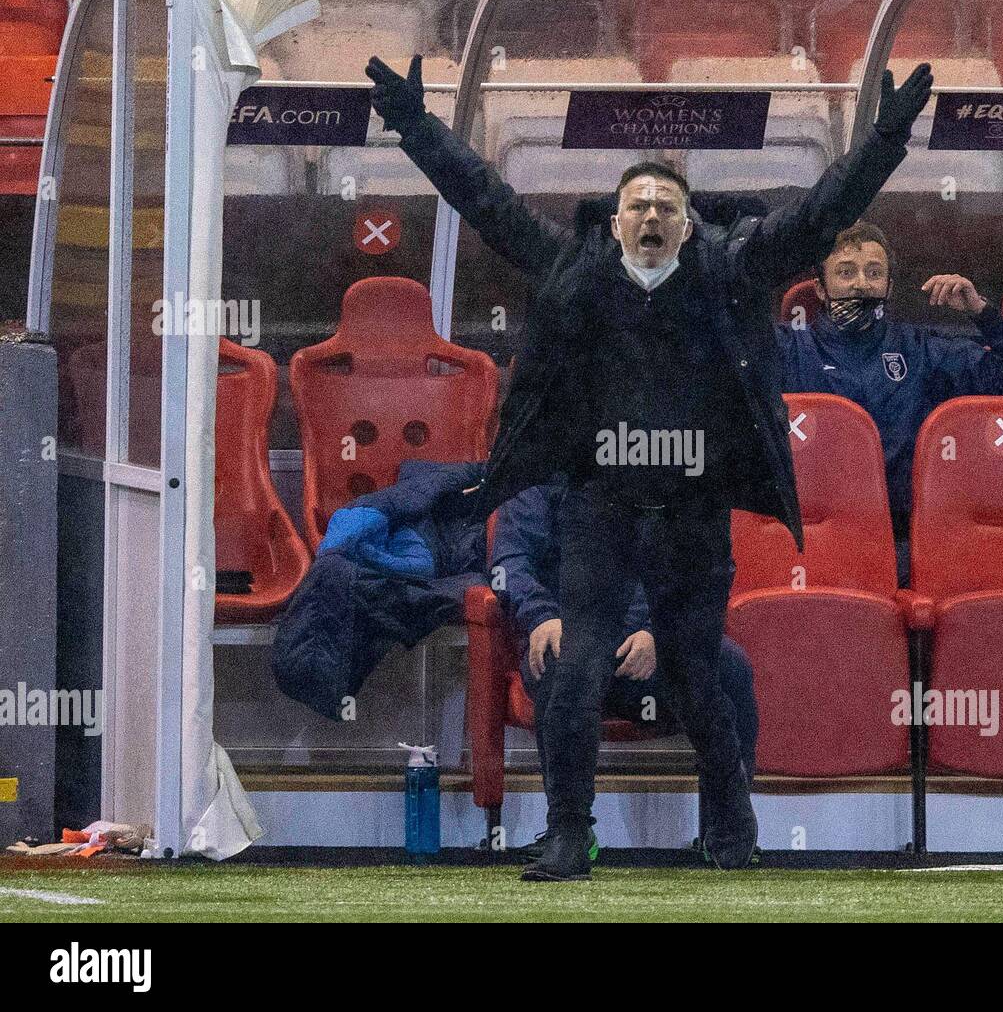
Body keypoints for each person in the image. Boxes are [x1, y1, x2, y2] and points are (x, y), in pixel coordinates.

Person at [368, 54, 931, 880]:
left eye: (668, 206)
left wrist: (884, 139)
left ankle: (732, 829)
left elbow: (820, 217)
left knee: (699, 669)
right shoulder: (576, 268)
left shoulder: (730, 270)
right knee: (580, 664)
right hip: (602, 502)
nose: (653, 217)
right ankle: (568, 833)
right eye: (640, 206)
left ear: (689, 221)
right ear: (617, 222)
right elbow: (486, 202)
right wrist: (416, 126)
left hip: (694, 509)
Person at [493, 481, 760, 865]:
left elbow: (699, 571)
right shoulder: (544, 475)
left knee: (730, 666)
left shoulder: (670, 471)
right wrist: (541, 616)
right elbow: (510, 562)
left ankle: (725, 826)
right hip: (570, 634)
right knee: (559, 668)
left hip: (655, 647)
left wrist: (660, 631)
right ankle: (568, 830)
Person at [776, 222, 1003, 583]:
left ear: (888, 287)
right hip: (806, 536)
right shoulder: (787, 349)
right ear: (820, 289)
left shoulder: (920, 350)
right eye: (845, 272)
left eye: (874, 273)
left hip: (900, 538)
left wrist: (982, 313)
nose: (860, 283)